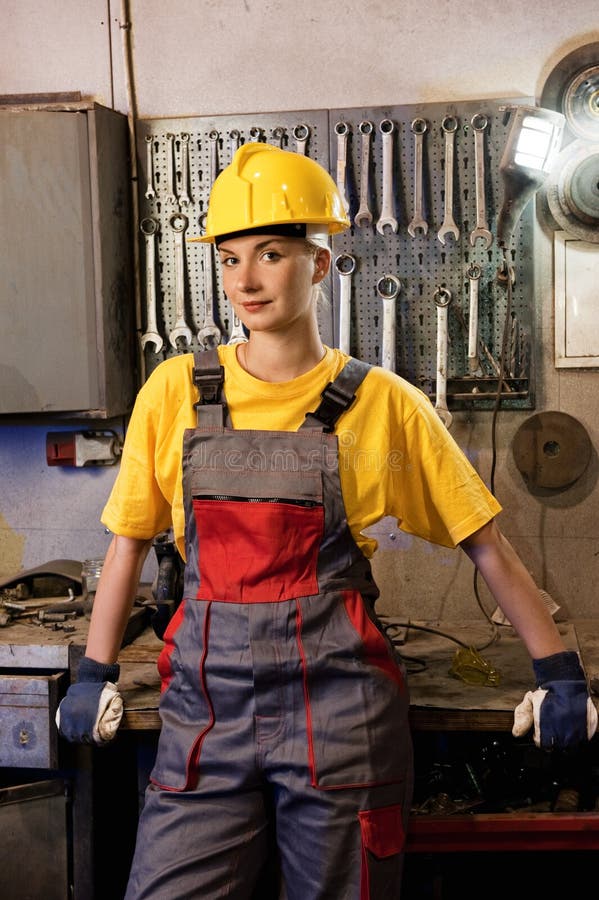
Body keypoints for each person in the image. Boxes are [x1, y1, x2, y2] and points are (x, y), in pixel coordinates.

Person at [56, 142, 597, 900]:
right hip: (205, 716)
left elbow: (487, 546)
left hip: (340, 717)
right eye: (230, 257)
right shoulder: (174, 390)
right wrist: (92, 671)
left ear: (317, 263)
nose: (245, 278)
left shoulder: (382, 402)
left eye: (271, 253)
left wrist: (558, 673)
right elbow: (128, 546)